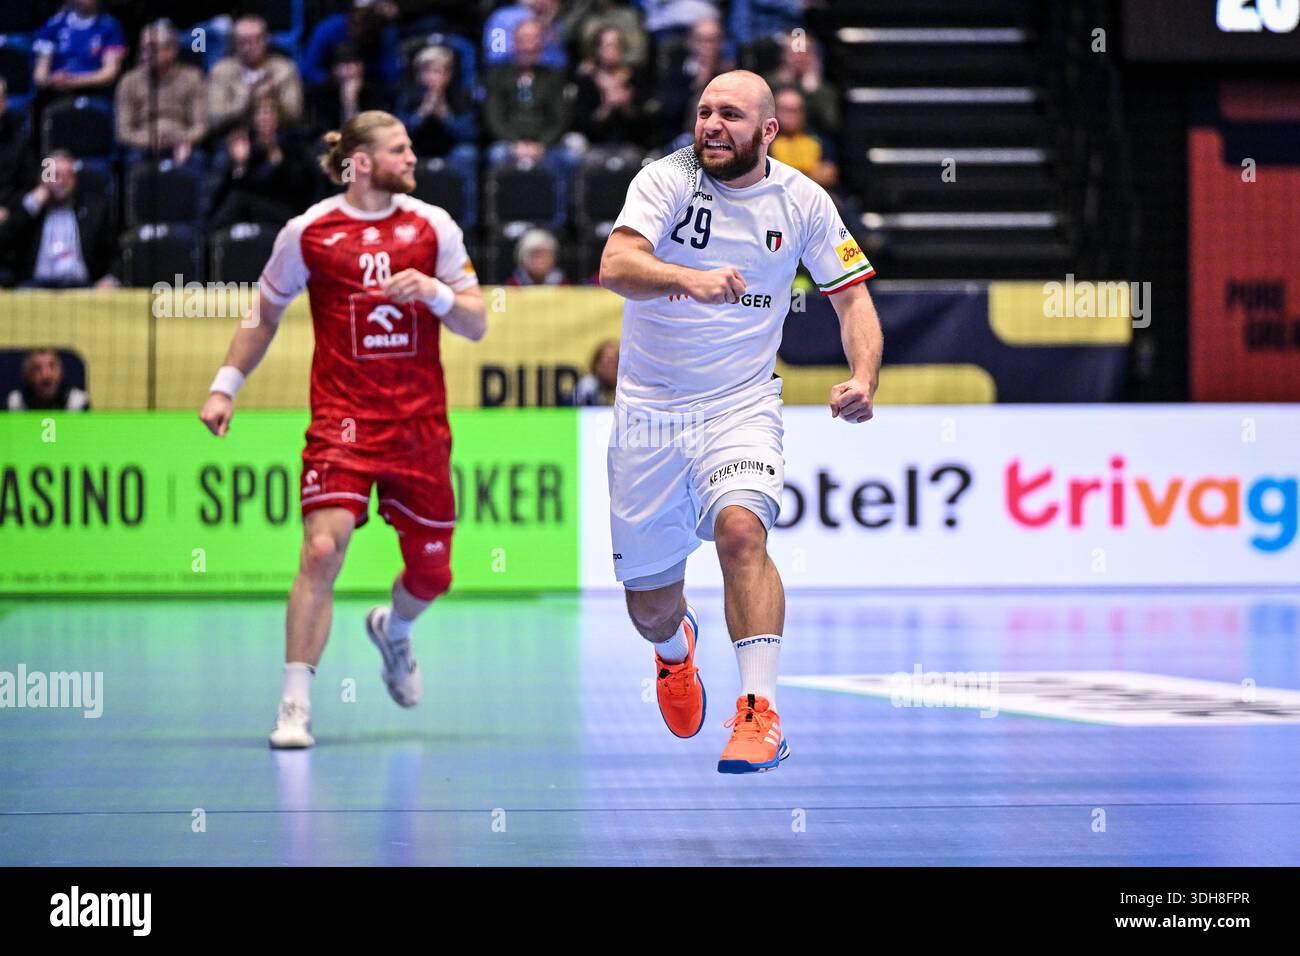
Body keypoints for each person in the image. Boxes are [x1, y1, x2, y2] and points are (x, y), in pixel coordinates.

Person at [599, 70, 883, 773]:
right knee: (650, 609)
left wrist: (865, 376)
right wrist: (685, 278)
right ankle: (675, 652)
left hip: (741, 404)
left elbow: (852, 299)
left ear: (768, 130)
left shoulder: (804, 200)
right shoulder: (665, 180)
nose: (711, 125)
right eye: (703, 112)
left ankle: (758, 714)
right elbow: (614, 264)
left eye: (729, 114)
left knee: (740, 531)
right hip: (650, 415)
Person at [199, 110, 486, 749]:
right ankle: (295, 705)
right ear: (360, 162)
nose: (413, 159)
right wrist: (225, 386)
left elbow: (476, 322)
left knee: (433, 575)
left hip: (419, 428)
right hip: (342, 423)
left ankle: (397, 631)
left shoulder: (432, 226)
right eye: (399, 149)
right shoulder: (309, 232)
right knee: (322, 550)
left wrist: (435, 296)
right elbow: (263, 314)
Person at [2, 150, 116, 289]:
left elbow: (115, 251)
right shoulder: (30, 209)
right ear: (43, 178)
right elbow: (5, 240)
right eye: (54, 175)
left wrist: (111, 278)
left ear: (75, 179)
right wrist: (32, 205)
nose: (61, 181)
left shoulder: (94, 210)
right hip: (35, 288)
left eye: (67, 176)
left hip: (81, 287)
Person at [114, 19, 207, 165]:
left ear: (172, 51)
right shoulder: (129, 81)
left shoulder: (192, 78)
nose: (146, 54)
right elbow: (123, 132)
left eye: (152, 48)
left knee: (197, 160)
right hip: (142, 145)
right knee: (132, 161)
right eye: (143, 48)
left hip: (181, 142)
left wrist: (181, 139)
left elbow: (200, 126)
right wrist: (149, 140)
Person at [208, 14, 305, 133]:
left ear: (265, 40)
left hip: (278, 134)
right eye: (241, 42)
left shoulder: (285, 69)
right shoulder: (221, 71)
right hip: (233, 135)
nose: (246, 47)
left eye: (252, 41)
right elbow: (215, 117)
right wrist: (249, 97)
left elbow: (295, 112)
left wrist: (274, 104)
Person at [6, 349, 90, 411]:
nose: (46, 375)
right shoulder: (16, 403)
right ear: (27, 374)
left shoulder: (77, 401)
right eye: (37, 368)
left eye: (52, 366)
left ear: (60, 371)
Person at [571, 339, 618, 406]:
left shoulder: (624, 387)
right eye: (608, 362)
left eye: (616, 363)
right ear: (596, 365)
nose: (611, 368)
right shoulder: (588, 386)